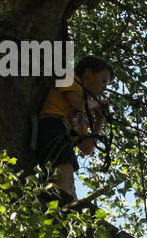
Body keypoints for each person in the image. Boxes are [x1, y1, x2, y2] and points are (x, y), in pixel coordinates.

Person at [37, 56, 111, 201]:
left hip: (62, 137)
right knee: (63, 190)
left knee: (71, 193)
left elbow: (87, 148)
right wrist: (96, 105)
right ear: (88, 74)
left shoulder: (79, 113)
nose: (105, 88)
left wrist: (99, 120)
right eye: (103, 81)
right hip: (52, 129)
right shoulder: (69, 78)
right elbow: (79, 104)